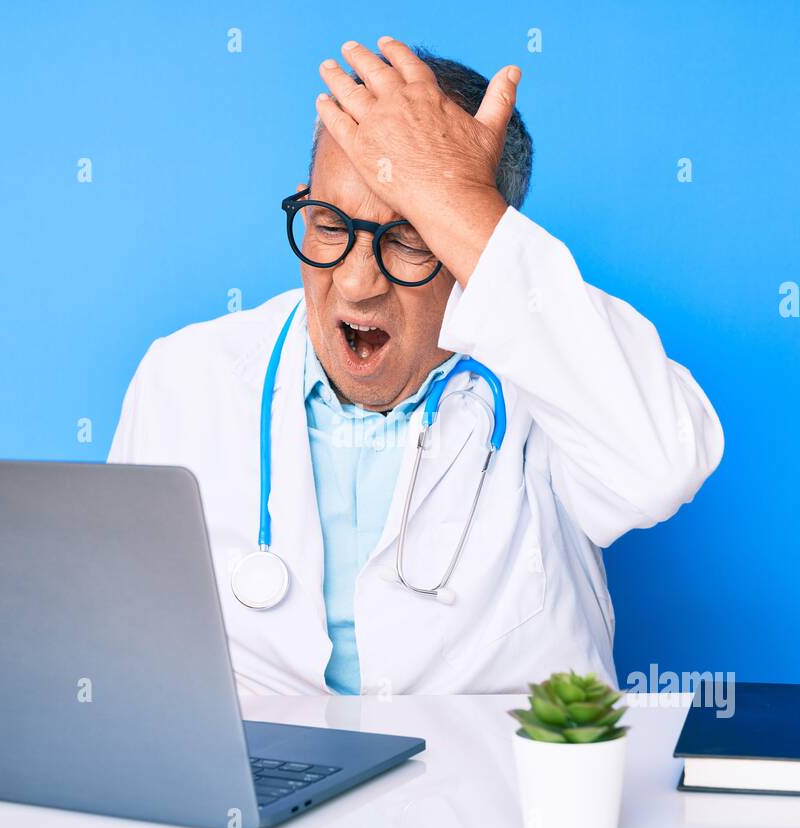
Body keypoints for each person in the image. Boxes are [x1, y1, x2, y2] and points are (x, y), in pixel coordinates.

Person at [109, 38, 724, 696]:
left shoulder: (549, 374)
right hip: (258, 792)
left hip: (501, 794)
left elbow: (661, 467)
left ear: (477, 240)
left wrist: (456, 197)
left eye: (408, 235)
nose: (355, 282)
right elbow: (118, 639)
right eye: (328, 222)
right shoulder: (185, 377)